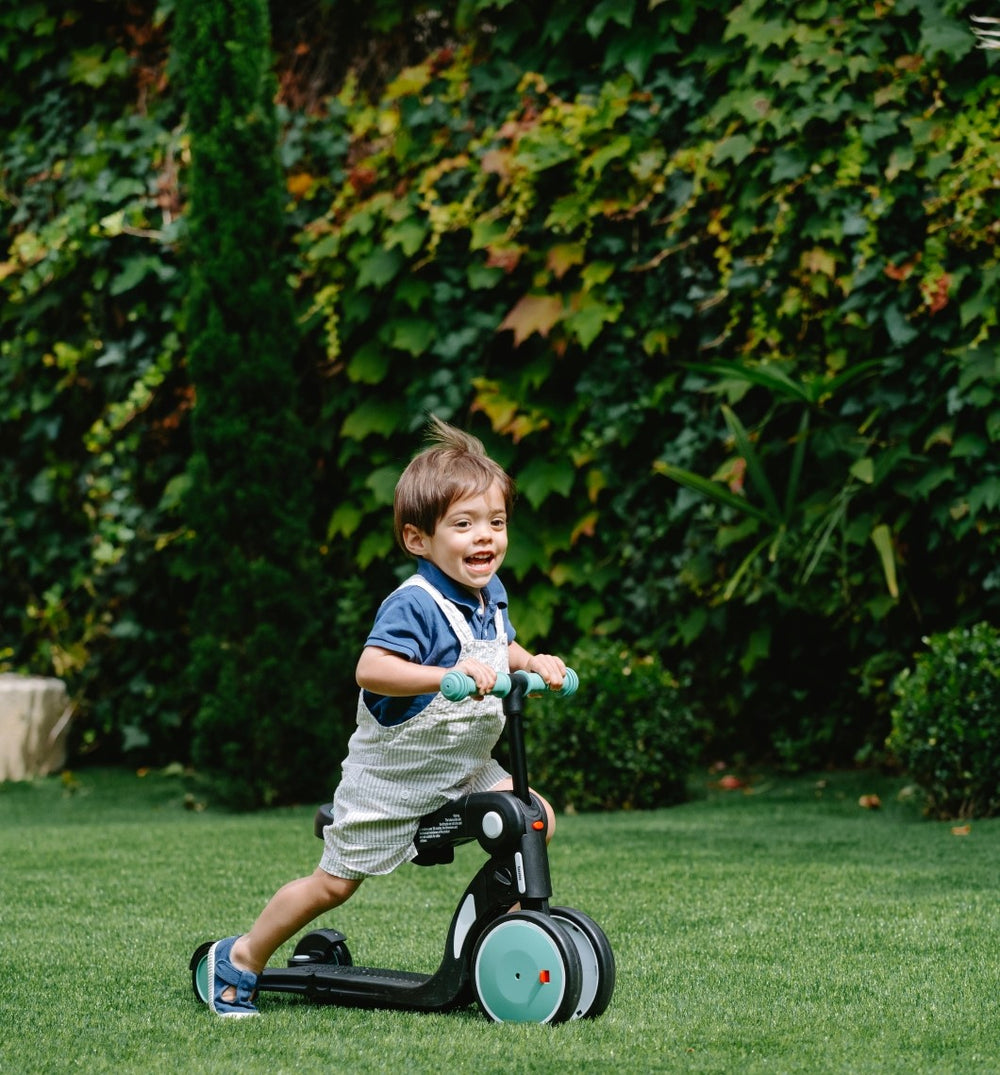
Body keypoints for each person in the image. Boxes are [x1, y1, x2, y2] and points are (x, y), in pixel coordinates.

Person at [206, 416, 567, 1016]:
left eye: (496, 523)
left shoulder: (489, 595)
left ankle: (495, 944)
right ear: (417, 539)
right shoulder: (414, 605)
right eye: (464, 524)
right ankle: (241, 957)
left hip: (463, 764)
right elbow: (371, 669)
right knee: (335, 885)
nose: (485, 538)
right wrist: (444, 678)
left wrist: (536, 660)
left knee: (536, 820)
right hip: (393, 777)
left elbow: (500, 648)